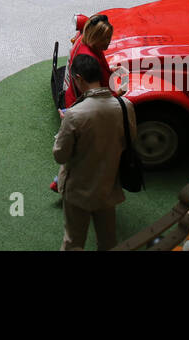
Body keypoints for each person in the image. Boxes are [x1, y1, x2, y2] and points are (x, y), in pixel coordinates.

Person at [52, 53, 137, 251]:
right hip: (109, 184)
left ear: (79, 79)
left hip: (78, 190)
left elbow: (60, 155)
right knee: (108, 240)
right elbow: (130, 140)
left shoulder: (74, 115)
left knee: (74, 241)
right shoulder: (126, 106)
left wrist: (63, 127)